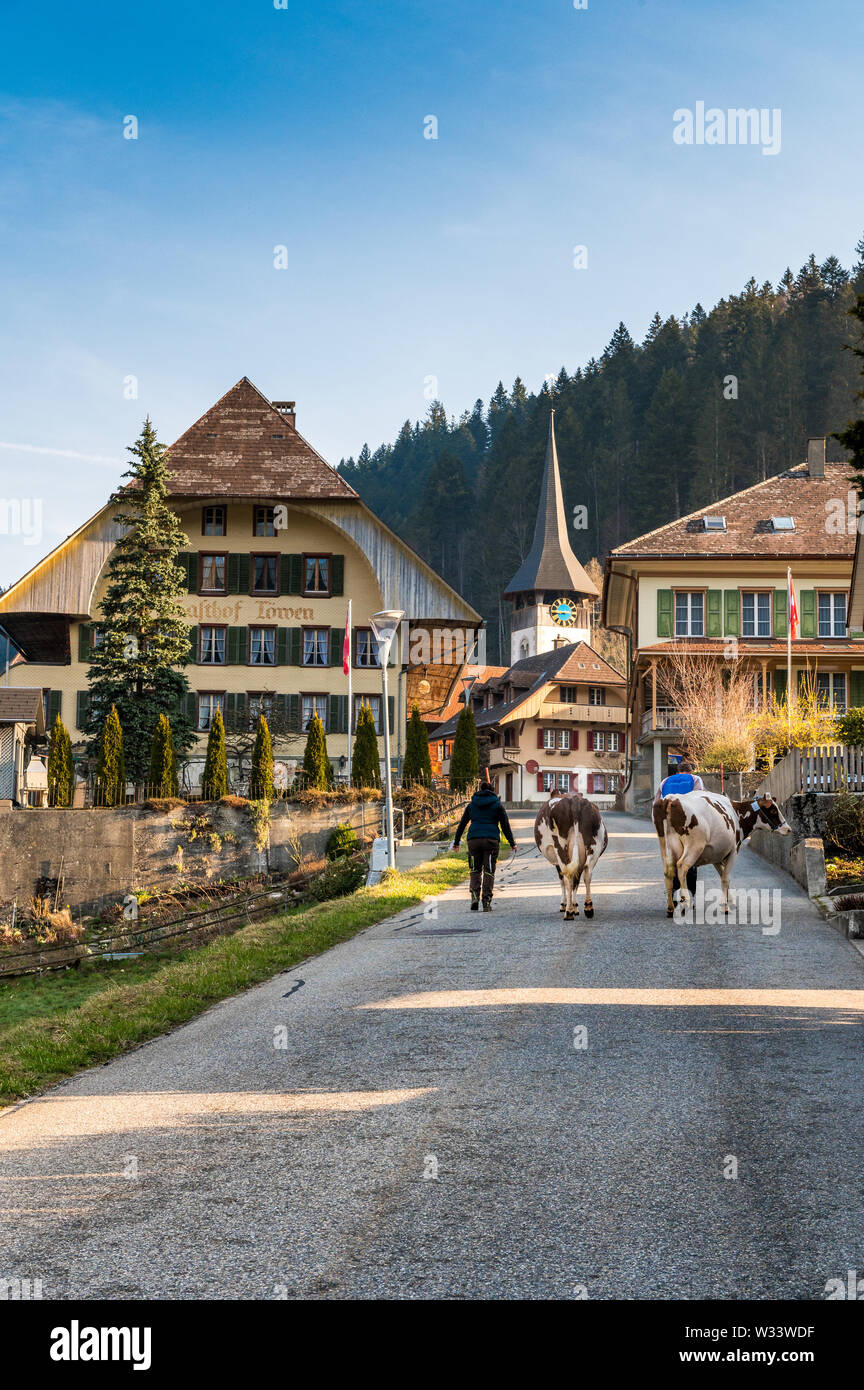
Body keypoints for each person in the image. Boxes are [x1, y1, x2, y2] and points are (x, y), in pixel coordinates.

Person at [451, 771, 516, 911]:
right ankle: (486, 902)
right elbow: (505, 825)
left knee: (475, 869)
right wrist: (512, 843)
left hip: (473, 840)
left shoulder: (472, 805)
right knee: (489, 870)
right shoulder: (497, 805)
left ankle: (474, 897)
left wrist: (456, 842)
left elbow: (462, 824)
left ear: (480, 790)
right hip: (491, 840)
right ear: (493, 792)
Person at [653, 759, 704, 898]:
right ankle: (690, 893)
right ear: (690, 771)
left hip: (668, 824)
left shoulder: (665, 781)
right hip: (688, 824)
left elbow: (656, 802)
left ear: (677, 772)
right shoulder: (695, 779)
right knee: (691, 858)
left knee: (674, 859)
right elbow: (700, 798)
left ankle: (675, 894)